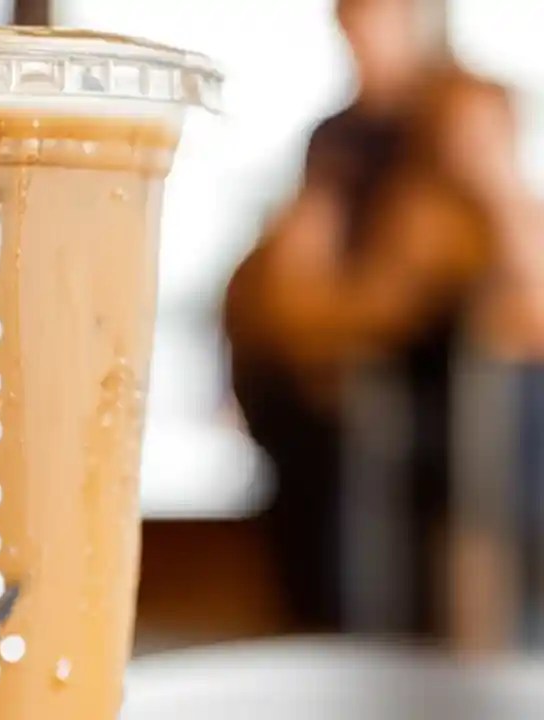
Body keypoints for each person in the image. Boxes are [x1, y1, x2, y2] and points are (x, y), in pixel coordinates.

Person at [226, 0, 544, 631]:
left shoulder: (466, 110)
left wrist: (483, 173)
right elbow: (303, 300)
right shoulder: (337, 141)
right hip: (367, 376)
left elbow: (521, 293)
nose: (361, 40)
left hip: (475, 378)